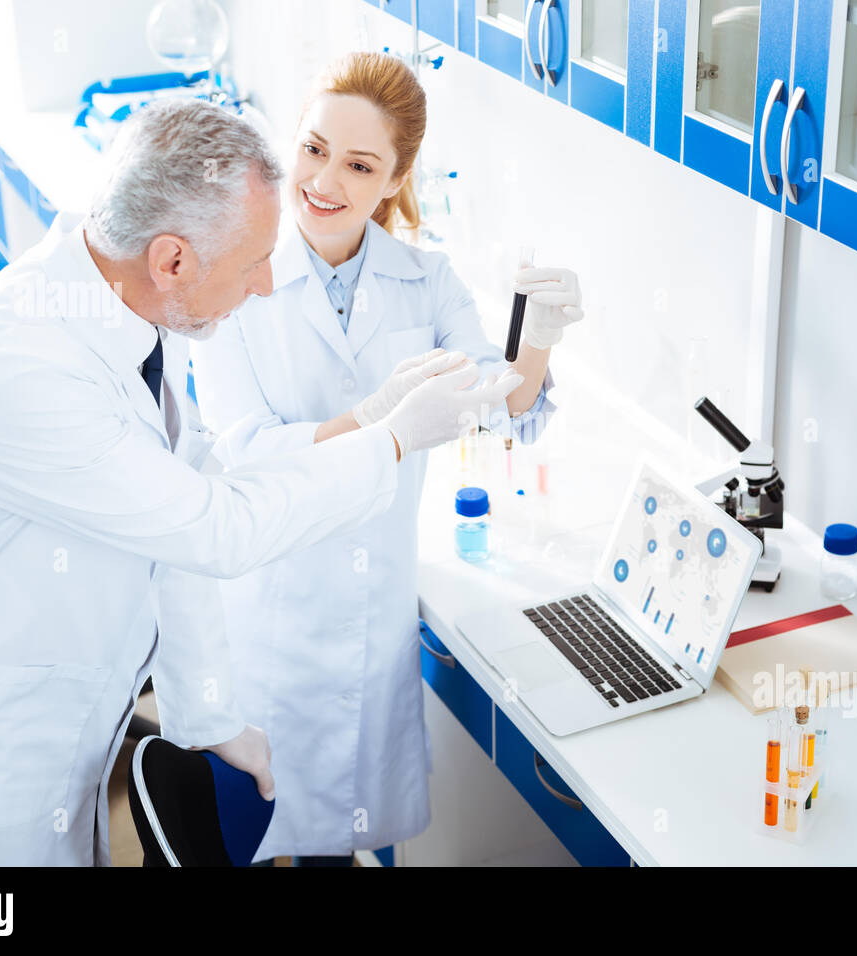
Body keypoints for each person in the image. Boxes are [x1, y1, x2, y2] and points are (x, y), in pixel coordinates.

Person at [0, 97, 519, 866]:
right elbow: (213, 529)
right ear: (172, 258)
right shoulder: (20, 371)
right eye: (252, 263)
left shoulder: (124, 291)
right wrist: (394, 440)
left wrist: (206, 715)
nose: (268, 285)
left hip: (66, 715)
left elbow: (184, 504)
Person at [189, 52, 584, 865]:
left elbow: (501, 410)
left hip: (369, 623)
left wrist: (538, 340)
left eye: (360, 164)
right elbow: (244, 457)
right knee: (244, 842)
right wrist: (374, 424)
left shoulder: (425, 283)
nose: (326, 180)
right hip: (265, 622)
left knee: (353, 838)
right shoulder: (230, 275)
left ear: (396, 178)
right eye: (313, 148)